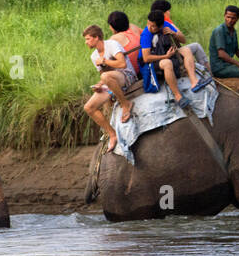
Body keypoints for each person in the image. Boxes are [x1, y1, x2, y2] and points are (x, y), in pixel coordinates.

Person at [83, 17, 142, 152]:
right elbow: (104, 73)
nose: (86, 42)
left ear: (97, 37)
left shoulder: (112, 44)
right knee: (89, 107)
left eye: (88, 39)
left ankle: (125, 104)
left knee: (105, 76)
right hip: (111, 80)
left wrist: (104, 61)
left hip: (126, 76)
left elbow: (122, 64)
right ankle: (112, 133)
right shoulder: (94, 56)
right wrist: (99, 85)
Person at [139, 9, 201, 107]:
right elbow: (146, 58)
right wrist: (165, 56)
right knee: (167, 63)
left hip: (168, 53)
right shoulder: (146, 34)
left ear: (160, 26)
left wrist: (174, 33)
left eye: (153, 26)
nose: (149, 27)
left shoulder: (166, 25)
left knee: (186, 50)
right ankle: (178, 96)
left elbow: (184, 40)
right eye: (148, 24)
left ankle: (194, 81)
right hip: (154, 60)